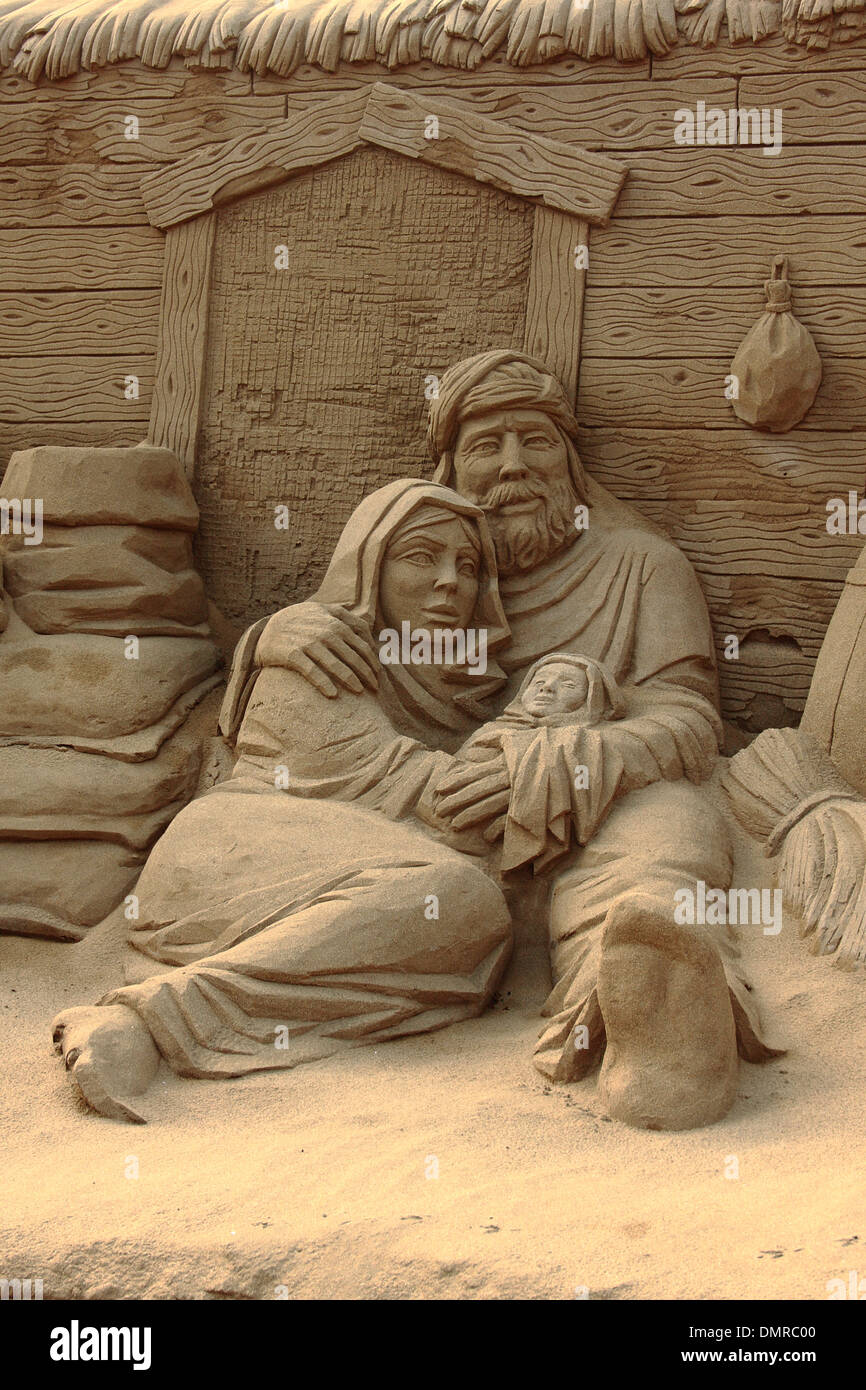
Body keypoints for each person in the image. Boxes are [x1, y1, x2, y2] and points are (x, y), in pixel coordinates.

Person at [254, 350, 779, 1130]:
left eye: (535, 441)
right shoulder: (426, 563)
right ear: (449, 466)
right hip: (438, 803)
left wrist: (562, 764)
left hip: (596, 793)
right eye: (485, 447)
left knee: (667, 831)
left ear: (569, 460)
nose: (512, 466)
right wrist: (271, 636)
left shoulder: (644, 567)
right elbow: (341, 643)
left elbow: (690, 722)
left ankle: (657, 1014)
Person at [51, 480, 513, 1122]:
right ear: (368, 567)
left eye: (467, 565)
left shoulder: (460, 681)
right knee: (457, 899)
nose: (449, 582)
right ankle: (148, 1021)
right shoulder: (318, 649)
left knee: (460, 924)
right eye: (420, 556)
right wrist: (541, 768)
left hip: (346, 861)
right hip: (231, 856)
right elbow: (424, 792)